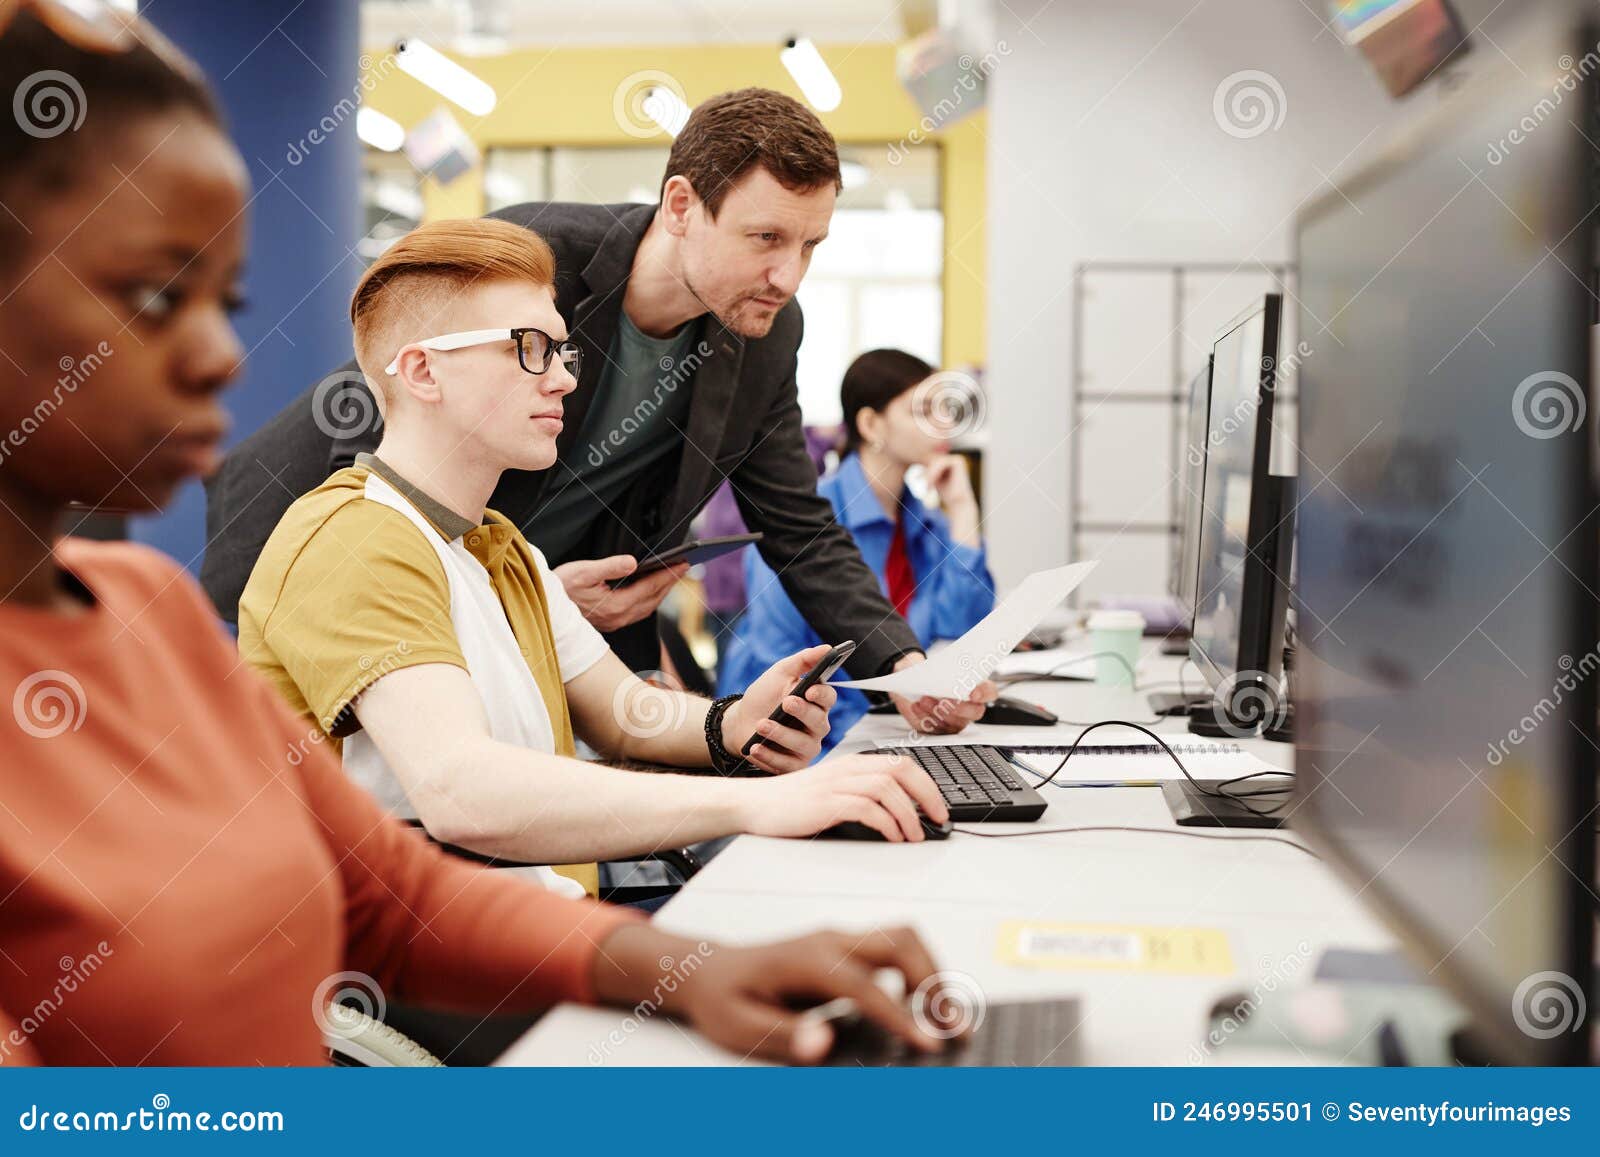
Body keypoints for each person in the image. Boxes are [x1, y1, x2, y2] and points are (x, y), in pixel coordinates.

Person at [0, 0, 956, 1066]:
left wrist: (689, 969)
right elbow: (455, 792)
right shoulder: (353, 533)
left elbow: (389, 891)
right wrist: (769, 802)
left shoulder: (148, 607)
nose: (222, 354)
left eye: (227, 300)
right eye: (151, 293)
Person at [200, 86, 992, 739]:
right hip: (357, 572)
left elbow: (800, 525)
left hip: (546, 608)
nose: (788, 274)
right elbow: (382, 419)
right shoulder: (533, 264)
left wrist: (907, 670)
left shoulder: (765, 332)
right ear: (681, 204)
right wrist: (499, 593)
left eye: (811, 245)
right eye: (765, 238)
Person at [237, 218, 951, 896]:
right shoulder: (355, 540)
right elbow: (461, 790)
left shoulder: (499, 547)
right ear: (423, 372)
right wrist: (753, 802)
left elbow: (620, 709)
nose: (563, 379)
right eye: (529, 349)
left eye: (561, 350)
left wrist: (733, 725)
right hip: (422, 970)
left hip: (534, 922)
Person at [720, 350, 997, 752]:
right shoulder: (800, 526)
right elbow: (776, 671)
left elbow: (961, 630)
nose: (944, 422)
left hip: (893, 733)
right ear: (870, 424)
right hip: (803, 747)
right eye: (922, 409)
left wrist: (963, 511)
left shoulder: (924, 525)